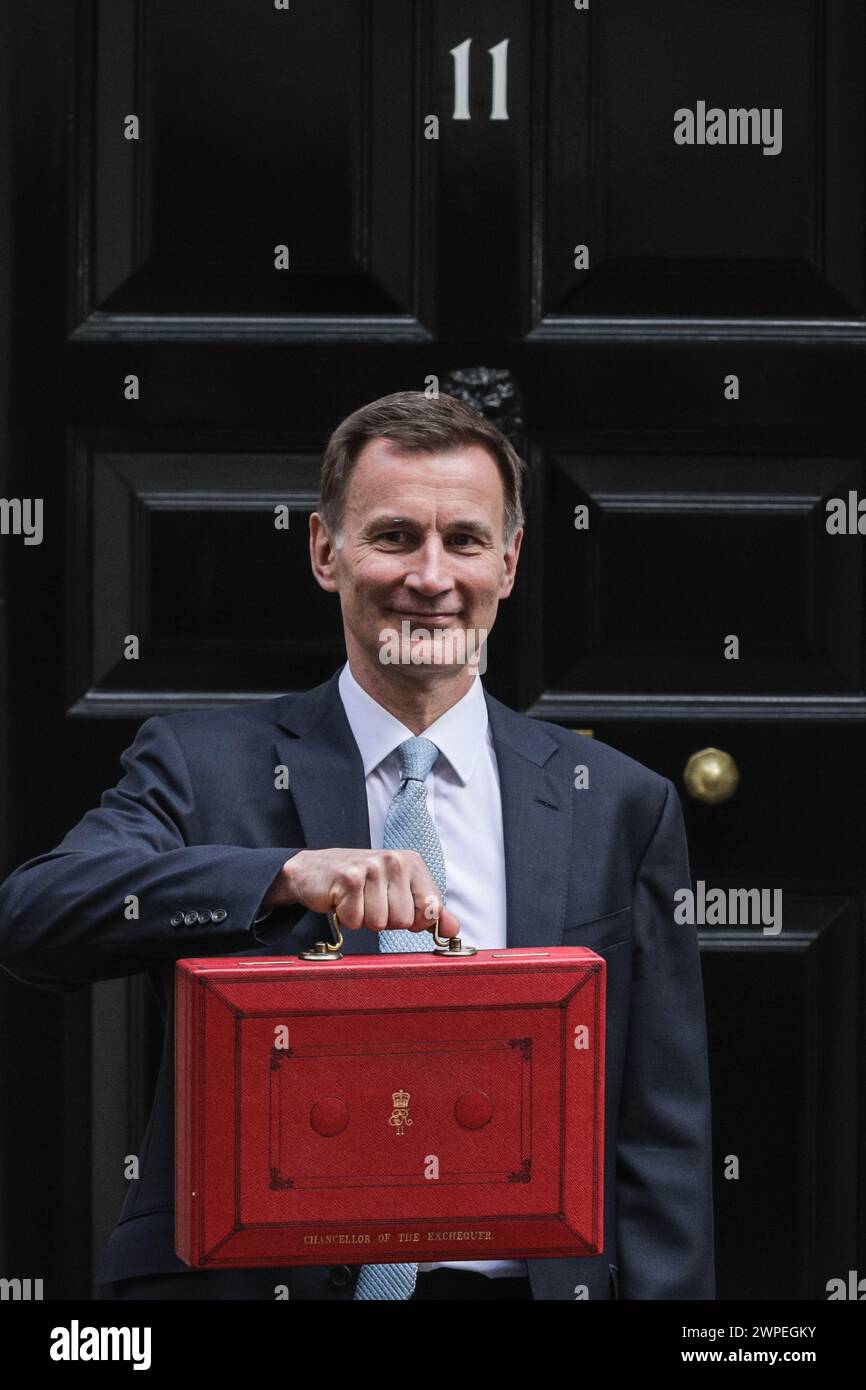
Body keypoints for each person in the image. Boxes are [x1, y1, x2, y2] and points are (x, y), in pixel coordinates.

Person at [0, 390, 715, 1300]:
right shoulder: (202, 765)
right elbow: (34, 916)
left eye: (462, 539)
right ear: (324, 551)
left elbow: (661, 1131)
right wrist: (283, 877)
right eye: (393, 537)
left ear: (509, 560)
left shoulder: (618, 804)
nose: (430, 575)